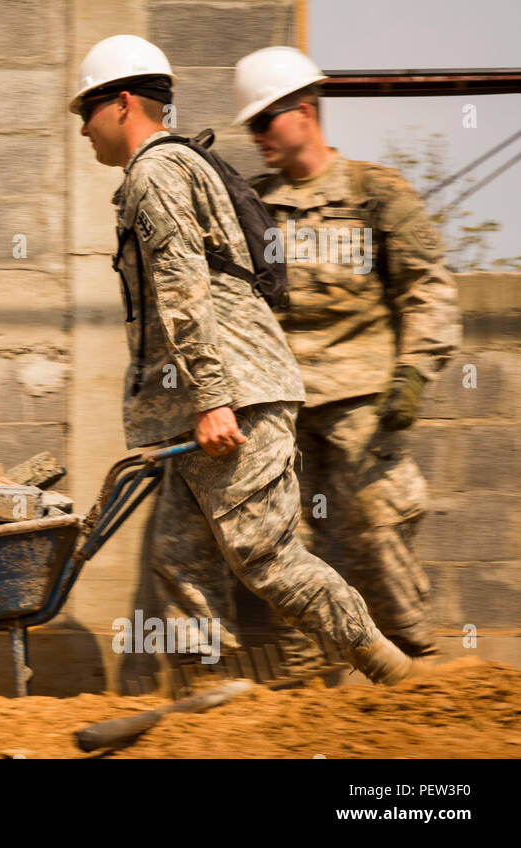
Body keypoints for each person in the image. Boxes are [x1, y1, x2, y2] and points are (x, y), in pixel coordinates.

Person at [69, 34, 424, 685]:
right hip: (212, 404)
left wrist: (210, 397)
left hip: (231, 402)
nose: (82, 128)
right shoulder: (180, 166)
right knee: (180, 560)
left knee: (266, 555)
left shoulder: (156, 174)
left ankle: (398, 675)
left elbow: (183, 286)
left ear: (122, 103)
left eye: (85, 110)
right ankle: (208, 693)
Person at [232, 46, 461, 670]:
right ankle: (311, 703)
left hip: (364, 411)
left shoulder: (374, 193)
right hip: (280, 414)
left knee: (377, 542)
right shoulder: (251, 205)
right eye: (250, 125)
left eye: (266, 121)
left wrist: (414, 370)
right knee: (290, 557)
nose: (257, 136)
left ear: (304, 112)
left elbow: (428, 288)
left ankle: (421, 682)